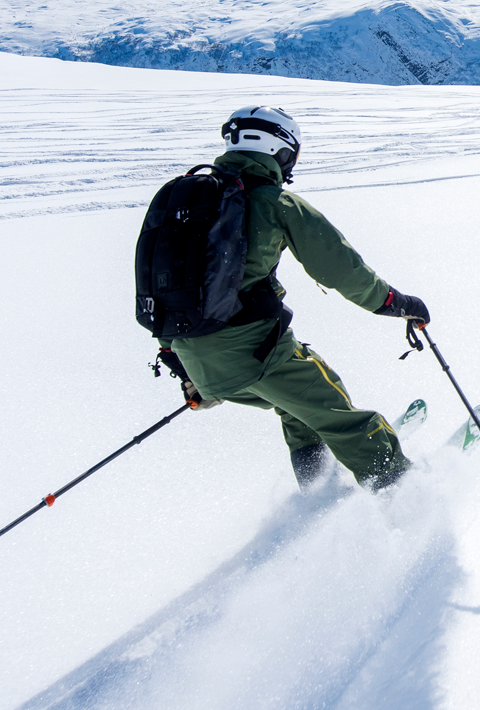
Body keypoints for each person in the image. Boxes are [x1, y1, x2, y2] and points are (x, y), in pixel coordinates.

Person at [160, 105, 432, 491]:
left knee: (295, 408)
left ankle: (317, 490)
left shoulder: (183, 200)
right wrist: (394, 302)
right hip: (257, 352)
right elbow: (340, 269)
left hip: (194, 359)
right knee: (341, 415)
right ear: (280, 150)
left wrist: (182, 365)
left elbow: (162, 285)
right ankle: (406, 496)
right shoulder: (275, 203)